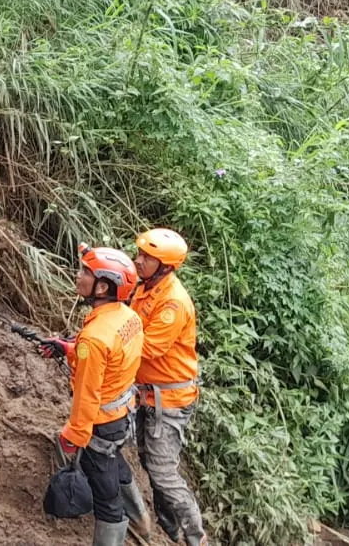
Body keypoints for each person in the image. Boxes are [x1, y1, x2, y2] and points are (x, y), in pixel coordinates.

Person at [37, 245, 146, 546]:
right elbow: (112, 359)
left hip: (101, 422)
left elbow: (87, 394)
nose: (78, 275)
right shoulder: (128, 317)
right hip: (122, 412)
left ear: (102, 286)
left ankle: (122, 529)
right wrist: (69, 348)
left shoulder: (94, 339)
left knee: (107, 498)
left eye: (85, 272)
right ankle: (141, 520)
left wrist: (74, 436)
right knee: (113, 463)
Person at [130, 228, 207, 546]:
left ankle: (196, 538)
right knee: (149, 461)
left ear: (165, 266)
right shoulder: (145, 288)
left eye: (146, 258)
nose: (138, 260)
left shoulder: (173, 302)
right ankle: (171, 528)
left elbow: (148, 347)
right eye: (140, 254)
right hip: (148, 394)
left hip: (170, 400)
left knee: (162, 472)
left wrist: (106, 343)